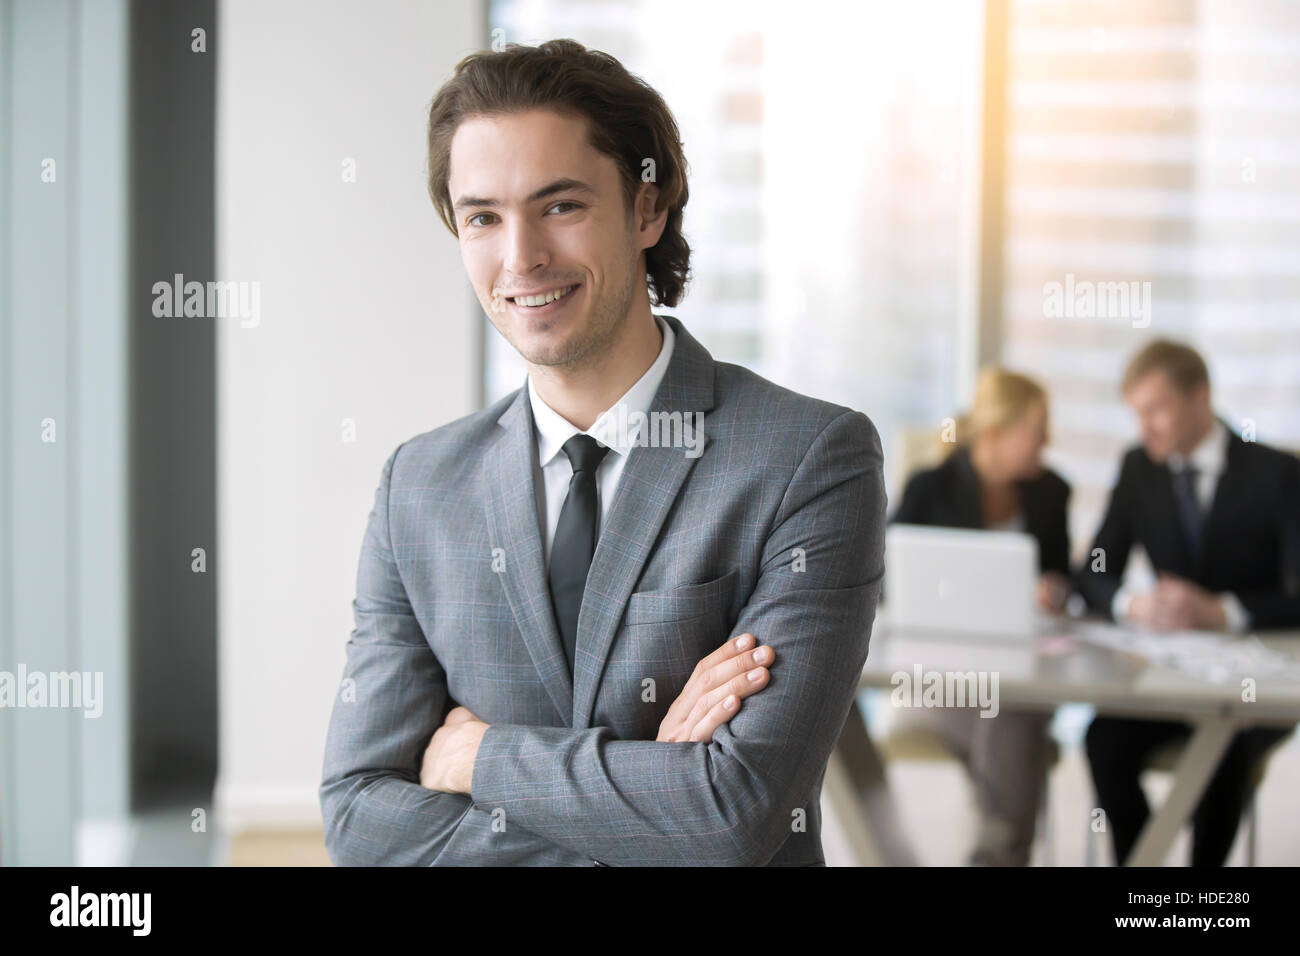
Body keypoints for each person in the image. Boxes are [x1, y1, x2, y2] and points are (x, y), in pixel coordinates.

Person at [318, 40, 887, 866]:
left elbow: (736, 818)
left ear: (646, 211)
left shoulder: (809, 459)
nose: (521, 258)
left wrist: (478, 758)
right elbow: (360, 818)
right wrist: (654, 795)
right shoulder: (419, 485)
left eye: (560, 206)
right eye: (482, 216)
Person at [1077, 338, 1300, 866]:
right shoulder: (1139, 468)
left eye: (1156, 409)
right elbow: (1093, 572)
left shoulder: (1277, 473)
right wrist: (1134, 605)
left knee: (1221, 752)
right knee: (1102, 739)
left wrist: (1222, 611)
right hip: (1170, 679)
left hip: (1252, 684)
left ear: (1199, 397)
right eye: (1137, 413)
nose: (1145, 427)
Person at [889, 367, 1071, 865]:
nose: (1047, 442)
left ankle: (994, 853)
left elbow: (1067, 579)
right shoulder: (930, 486)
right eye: (1036, 431)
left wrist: (1054, 591)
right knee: (1009, 714)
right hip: (938, 678)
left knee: (1010, 704)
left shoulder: (1053, 492)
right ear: (994, 433)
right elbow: (887, 576)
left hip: (1021, 676)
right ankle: (1002, 855)